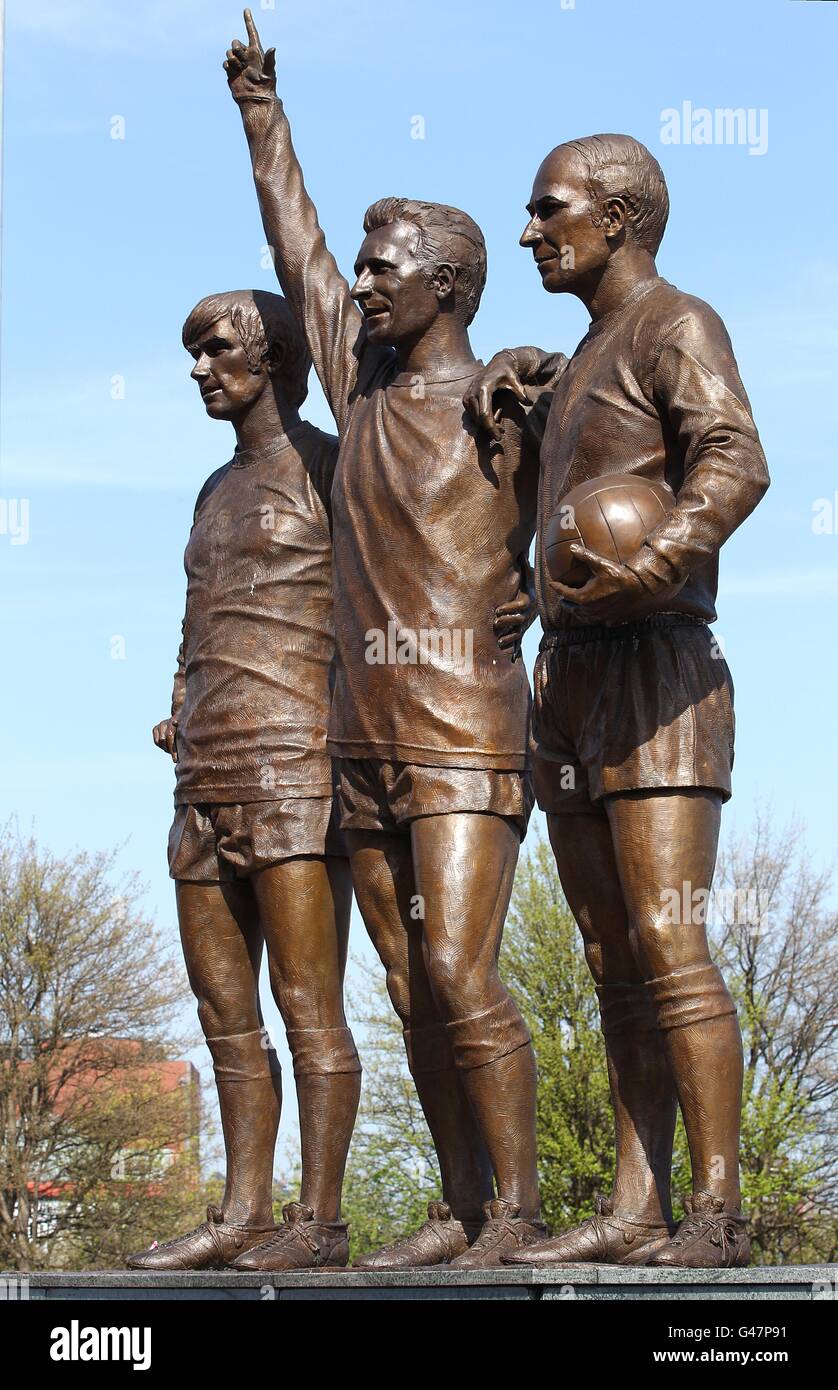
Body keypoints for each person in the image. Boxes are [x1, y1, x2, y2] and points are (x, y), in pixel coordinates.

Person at [224, 9, 545, 1269]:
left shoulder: (506, 397)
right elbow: (290, 230)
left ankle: (518, 1211)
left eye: (384, 267)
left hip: (465, 726)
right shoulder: (358, 388)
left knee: (463, 971)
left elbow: (599, 503)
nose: (357, 283)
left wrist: (545, 595)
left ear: (448, 286)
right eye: (358, 267)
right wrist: (262, 112)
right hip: (359, 730)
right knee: (411, 984)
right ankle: (464, 1204)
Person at [465, 134, 769, 1269]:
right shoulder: (590, 349)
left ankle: (718, 1212)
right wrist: (520, 382)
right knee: (607, 951)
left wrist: (663, 555)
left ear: (622, 217)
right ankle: (636, 1205)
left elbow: (734, 458)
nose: (530, 231)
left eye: (549, 211)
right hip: (574, 678)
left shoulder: (676, 321)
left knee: (669, 941)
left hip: (660, 669)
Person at [127, 289, 361, 1273]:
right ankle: (244, 1212)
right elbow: (201, 615)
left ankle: (320, 1218)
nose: (198, 368)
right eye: (193, 352)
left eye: (216, 349)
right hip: (203, 776)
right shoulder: (212, 489)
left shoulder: (334, 467)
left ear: (272, 358)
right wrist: (179, 698)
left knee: (311, 1005)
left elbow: (386, 598)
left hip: (298, 773)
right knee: (224, 1012)